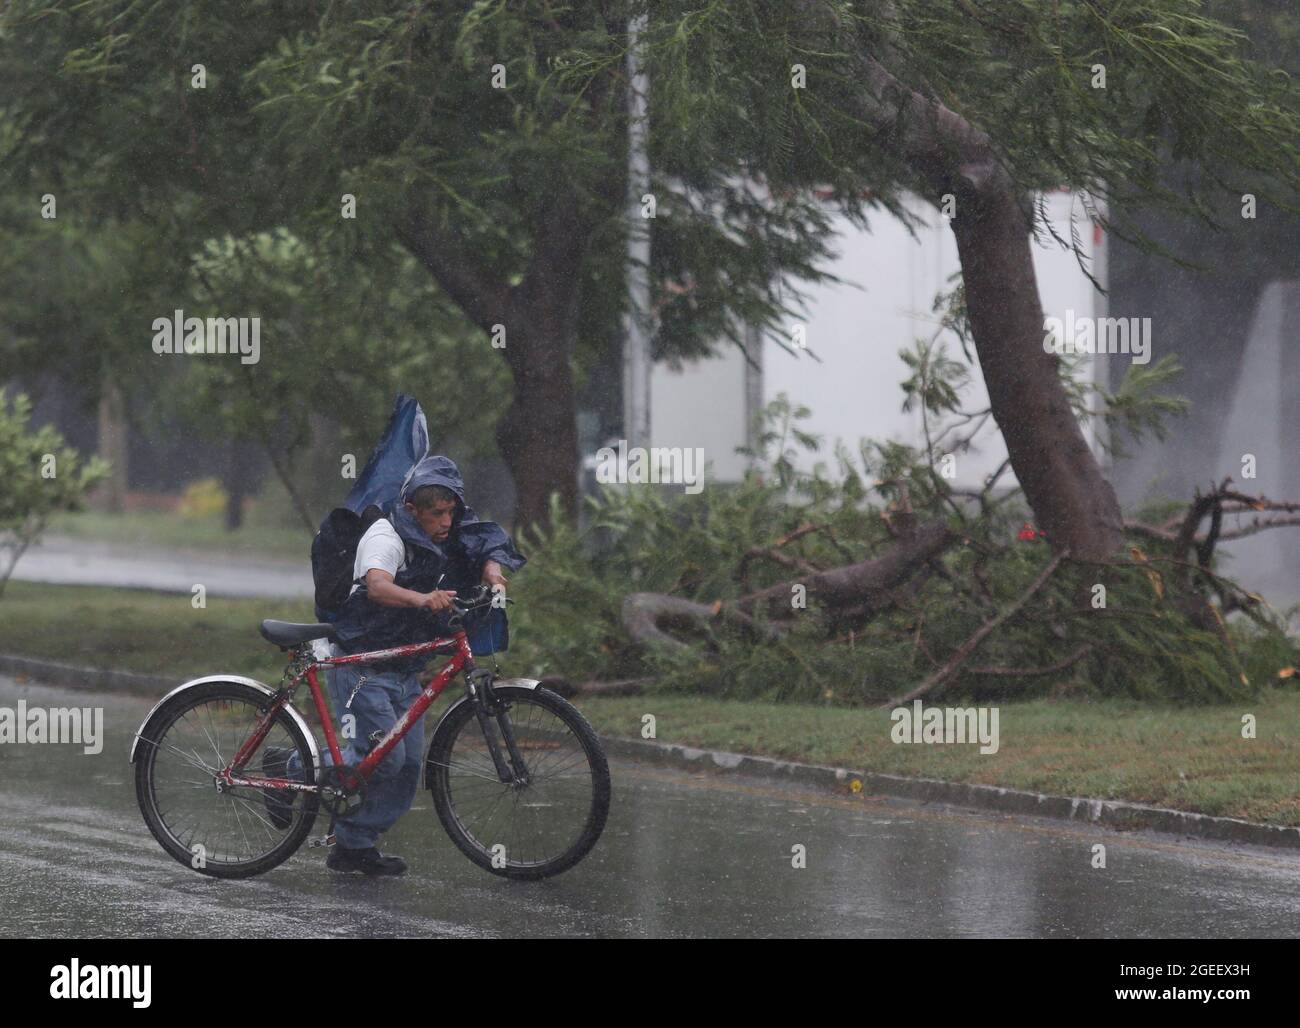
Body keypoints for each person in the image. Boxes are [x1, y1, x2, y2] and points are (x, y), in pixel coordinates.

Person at [267, 456, 525, 876]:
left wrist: (494, 572)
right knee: (382, 757)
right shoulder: (386, 536)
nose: (446, 521)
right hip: (359, 664)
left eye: (450, 511)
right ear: (412, 511)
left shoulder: (451, 527)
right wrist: (422, 599)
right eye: (436, 513)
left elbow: (487, 542)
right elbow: (378, 586)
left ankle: (352, 845)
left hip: (404, 665)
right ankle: (289, 767)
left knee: (407, 765)